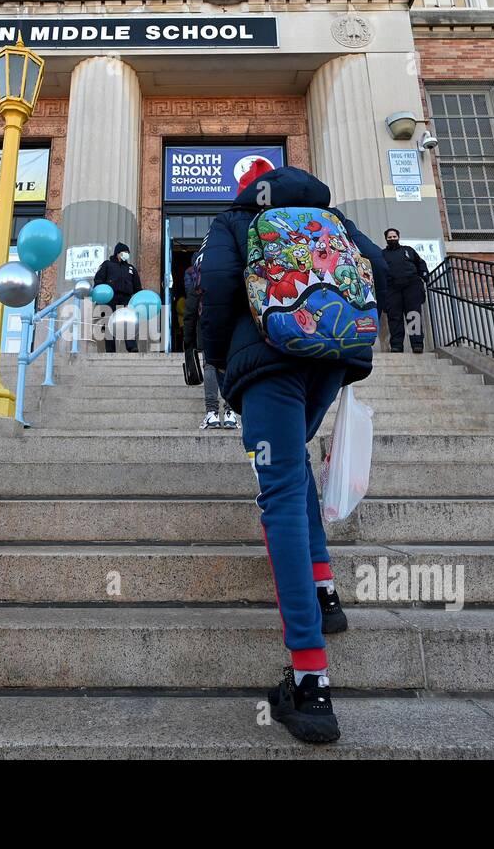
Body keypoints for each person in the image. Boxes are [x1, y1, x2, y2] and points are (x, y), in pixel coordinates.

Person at [198, 166, 388, 744]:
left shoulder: (235, 220)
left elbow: (218, 282)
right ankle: (325, 589)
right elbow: (377, 269)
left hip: (269, 360)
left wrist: (216, 354)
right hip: (330, 357)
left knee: (277, 492)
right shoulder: (331, 219)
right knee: (295, 464)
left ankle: (310, 683)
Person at [181, 243, 238, 429]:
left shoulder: (198, 280)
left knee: (211, 366)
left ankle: (212, 413)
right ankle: (230, 413)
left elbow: (190, 312)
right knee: (229, 367)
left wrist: (188, 341)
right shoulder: (230, 274)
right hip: (230, 328)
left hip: (207, 328)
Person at [380, 228, 429, 354]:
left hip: (411, 286)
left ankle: (417, 344)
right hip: (392, 288)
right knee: (394, 318)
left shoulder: (408, 250)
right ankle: (396, 346)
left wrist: (424, 274)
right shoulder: (383, 254)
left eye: (394, 236)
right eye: (390, 237)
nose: (392, 239)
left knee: (413, 315)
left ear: (398, 237)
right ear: (386, 239)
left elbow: (420, 263)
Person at [92, 241, 141, 353]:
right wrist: (100, 295)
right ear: (118, 253)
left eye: (127, 252)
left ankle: (131, 346)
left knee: (128, 322)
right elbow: (98, 280)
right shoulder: (107, 265)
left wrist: (139, 297)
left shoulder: (130, 268)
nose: (127, 254)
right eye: (125, 252)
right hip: (110, 298)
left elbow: (137, 287)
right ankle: (110, 350)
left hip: (126, 299)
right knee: (109, 323)